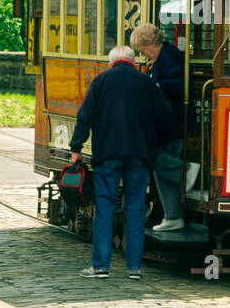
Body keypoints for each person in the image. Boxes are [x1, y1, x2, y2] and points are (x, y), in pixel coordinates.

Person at [69, 45, 171, 279]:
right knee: (135, 210)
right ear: (134, 62)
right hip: (140, 156)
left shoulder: (101, 81)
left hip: (108, 155)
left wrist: (76, 149)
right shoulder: (146, 83)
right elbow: (164, 115)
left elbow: (84, 117)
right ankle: (134, 268)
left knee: (104, 209)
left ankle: (101, 266)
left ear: (111, 62)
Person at [130, 23, 185, 232]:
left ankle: (187, 173)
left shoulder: (169, 57)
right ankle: (173, 215)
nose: (143, 54)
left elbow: (179, 83)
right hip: (168, 119)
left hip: (171, 120)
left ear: (151, 44)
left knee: (153, 157)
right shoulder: (161, 58)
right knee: (161, 173)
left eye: (143, 50)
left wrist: (156, 86)